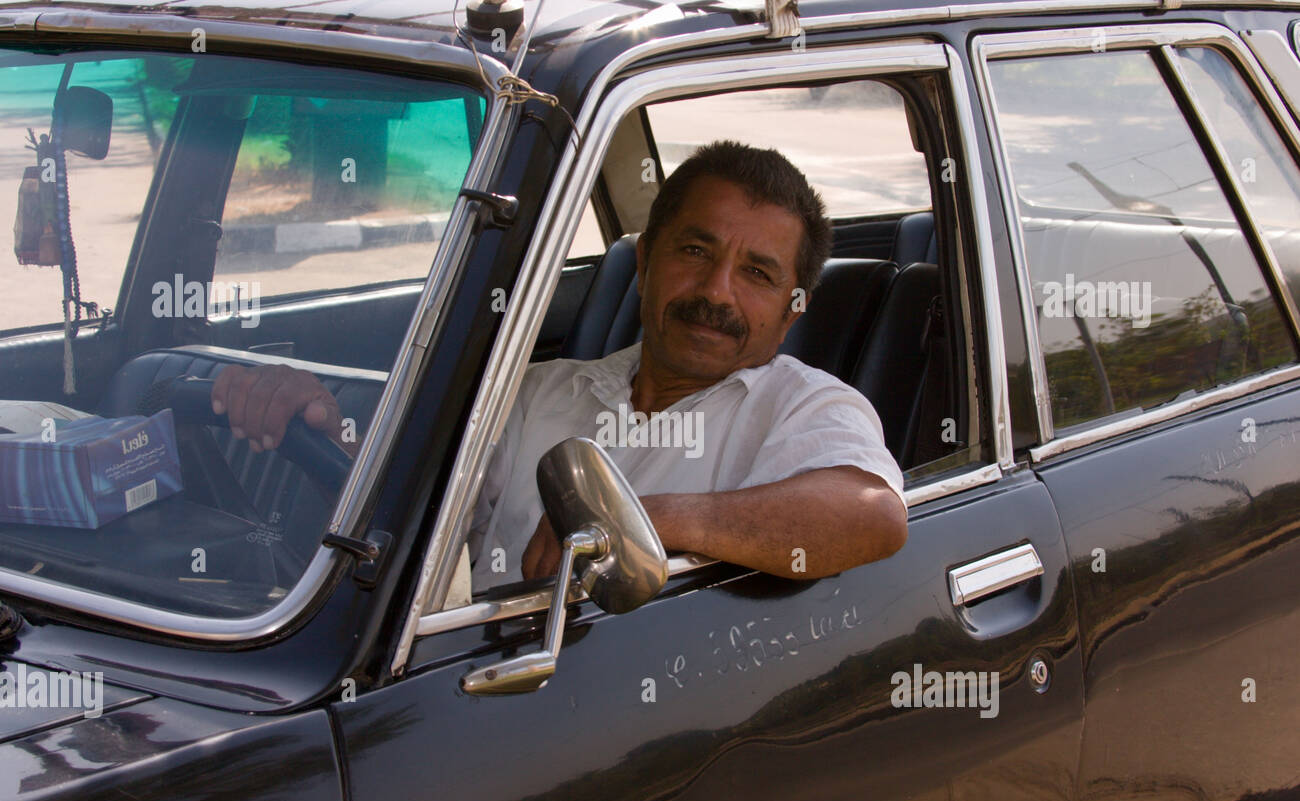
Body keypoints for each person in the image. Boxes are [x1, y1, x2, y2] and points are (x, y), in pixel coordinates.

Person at [212, 140, 908, 592]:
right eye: (695, 252)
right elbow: (422, 506)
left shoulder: (805, 407)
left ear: (792, 310)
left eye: (756, 273)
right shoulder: (540, 391)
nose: (716, 292)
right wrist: (333, 432)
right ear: (645, 261)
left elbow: (872, 515)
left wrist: (647, 520)